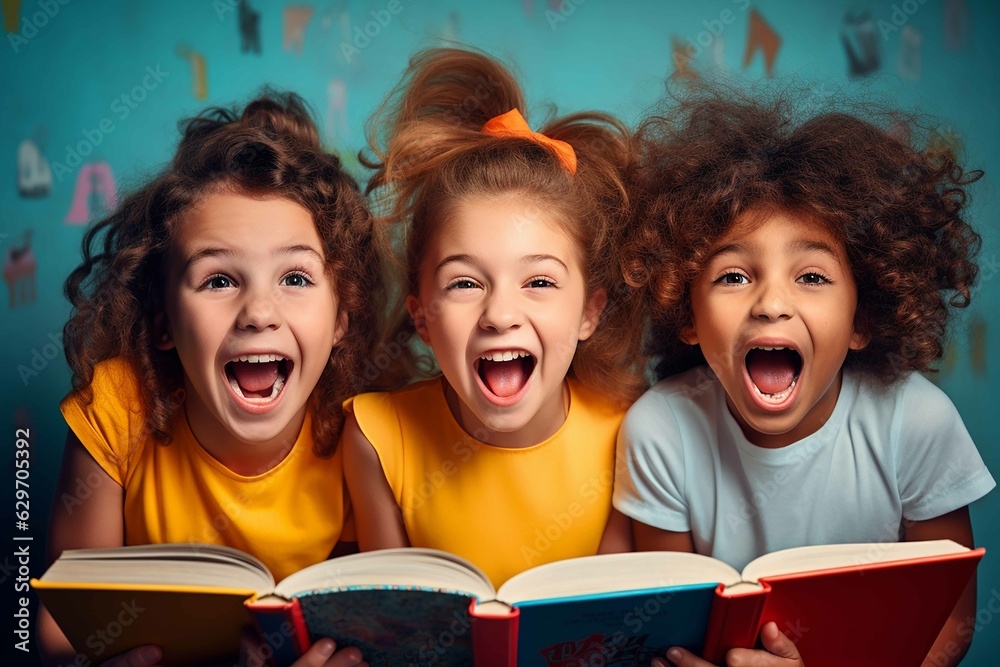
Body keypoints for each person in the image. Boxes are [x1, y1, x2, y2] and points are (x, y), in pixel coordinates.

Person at [615, 86, 995, 667]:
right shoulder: (659, 431)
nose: (771, 304)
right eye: (734, 276)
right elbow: (670, 629)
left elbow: (951, 621)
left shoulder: (918, 422)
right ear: (686, 313)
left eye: (812, 277)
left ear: (863, 318)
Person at [39, 91, 383, 667]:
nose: (259, 312)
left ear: (341, 317)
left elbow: (359, 635)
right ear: (163, 323)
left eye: (295, 278)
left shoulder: (360, 435)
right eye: (219, 280)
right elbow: (54, 629)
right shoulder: (116, 409)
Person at [343, 48, 646, 589]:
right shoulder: (376, 439)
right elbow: (394, 620)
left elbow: (611, 617)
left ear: (589, 312)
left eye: (539, 282)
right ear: (421, 317)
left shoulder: (633, 432)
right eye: (465, 283)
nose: (500, 315)